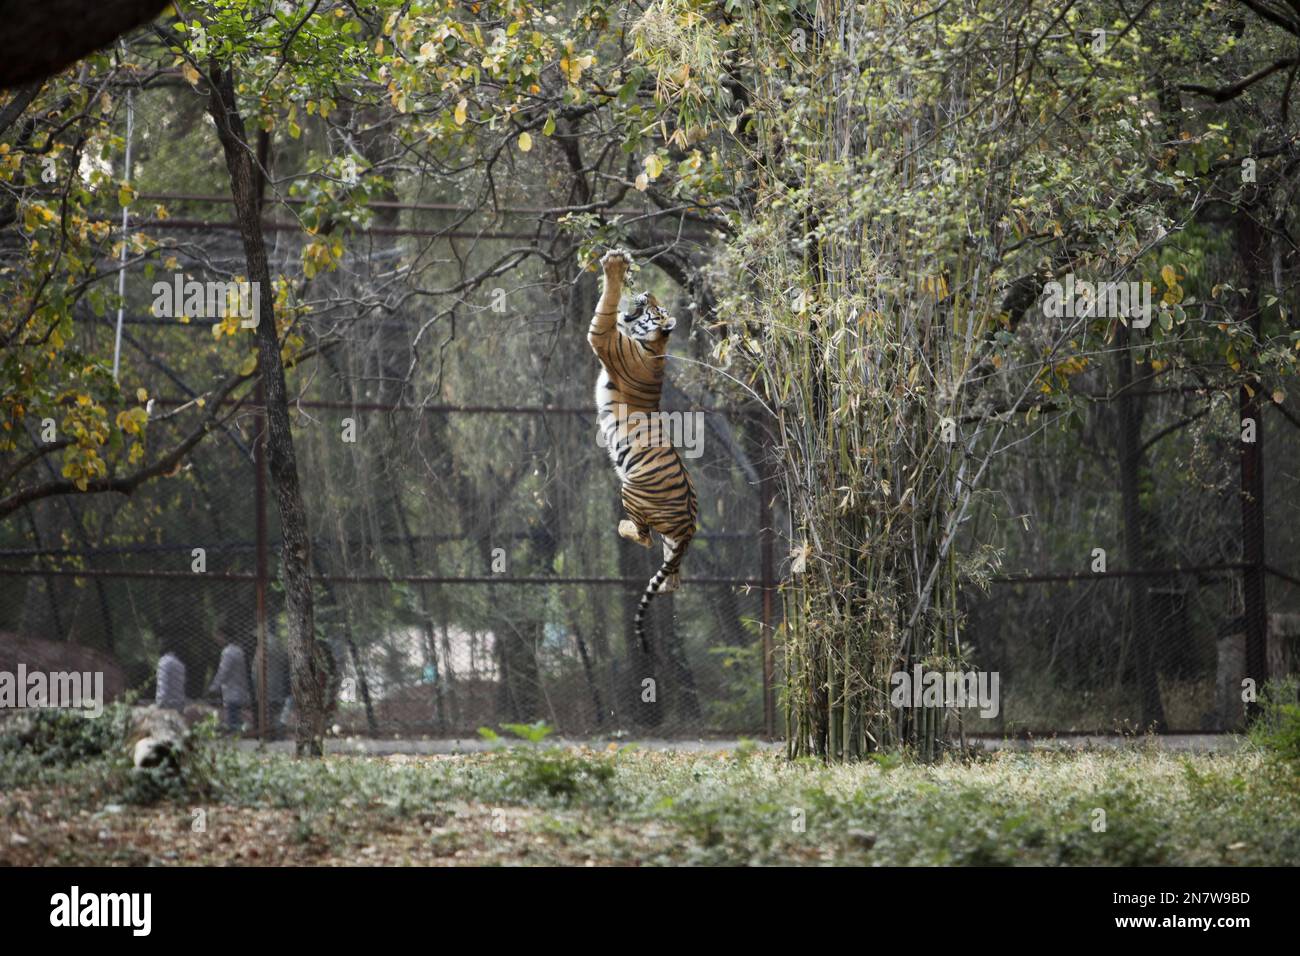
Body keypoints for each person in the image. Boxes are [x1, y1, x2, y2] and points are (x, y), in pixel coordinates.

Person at [208, 640, 251, 733]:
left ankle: (241, 732)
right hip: (239, 689)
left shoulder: (228, 652)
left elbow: (223, 671)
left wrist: (214, 687)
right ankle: (242, 730)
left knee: (232, 721)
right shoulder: (239, 651)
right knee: (235, 716)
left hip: (232, 692)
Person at [154, 646, 187, 711]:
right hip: (179, 704)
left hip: (164, 702)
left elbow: (162, 685)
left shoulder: (163, 662)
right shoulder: (181, 665)